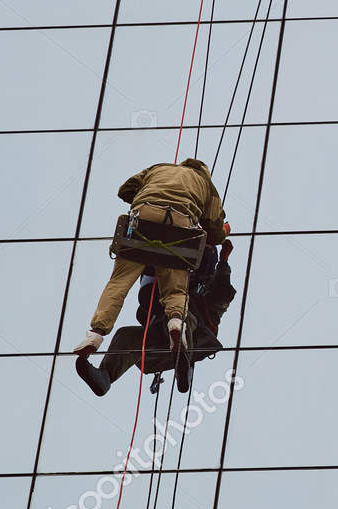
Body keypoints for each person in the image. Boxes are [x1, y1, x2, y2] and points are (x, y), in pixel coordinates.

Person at [73, 158, 227, 380]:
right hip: (179, 227)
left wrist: (148, 198)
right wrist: (216, 231)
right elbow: (215, 230)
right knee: (175, 292)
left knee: (118, 283)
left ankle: (94, 335)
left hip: (143, 221)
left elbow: (125, 190)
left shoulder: (158, 168)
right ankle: (177, 327)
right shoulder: (205, 183)